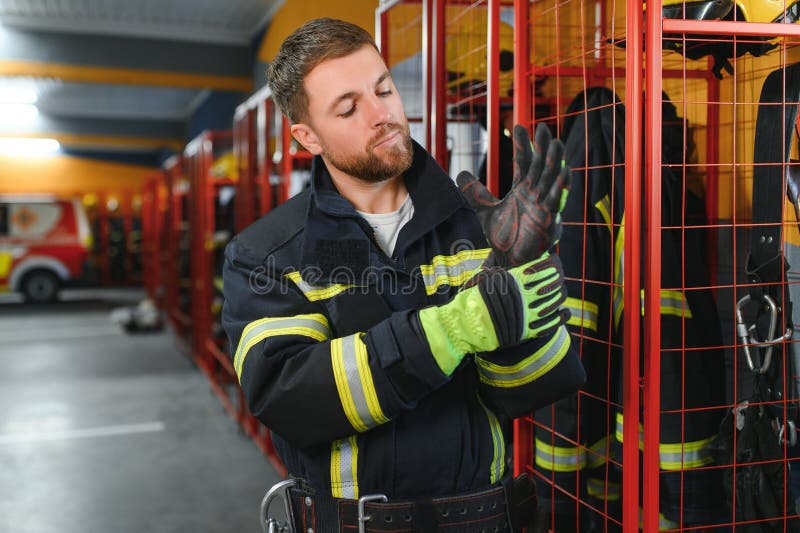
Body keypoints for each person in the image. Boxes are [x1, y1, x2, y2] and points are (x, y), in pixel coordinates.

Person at [222, 17, 586, 533]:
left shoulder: (480, 225)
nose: (381, 115)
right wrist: (452, 328)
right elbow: (293, 399)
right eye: (348, 108)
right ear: (308, 137)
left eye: (384, 90)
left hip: (484, 520)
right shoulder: (268, 255)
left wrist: (516, 271)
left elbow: (529, 390)